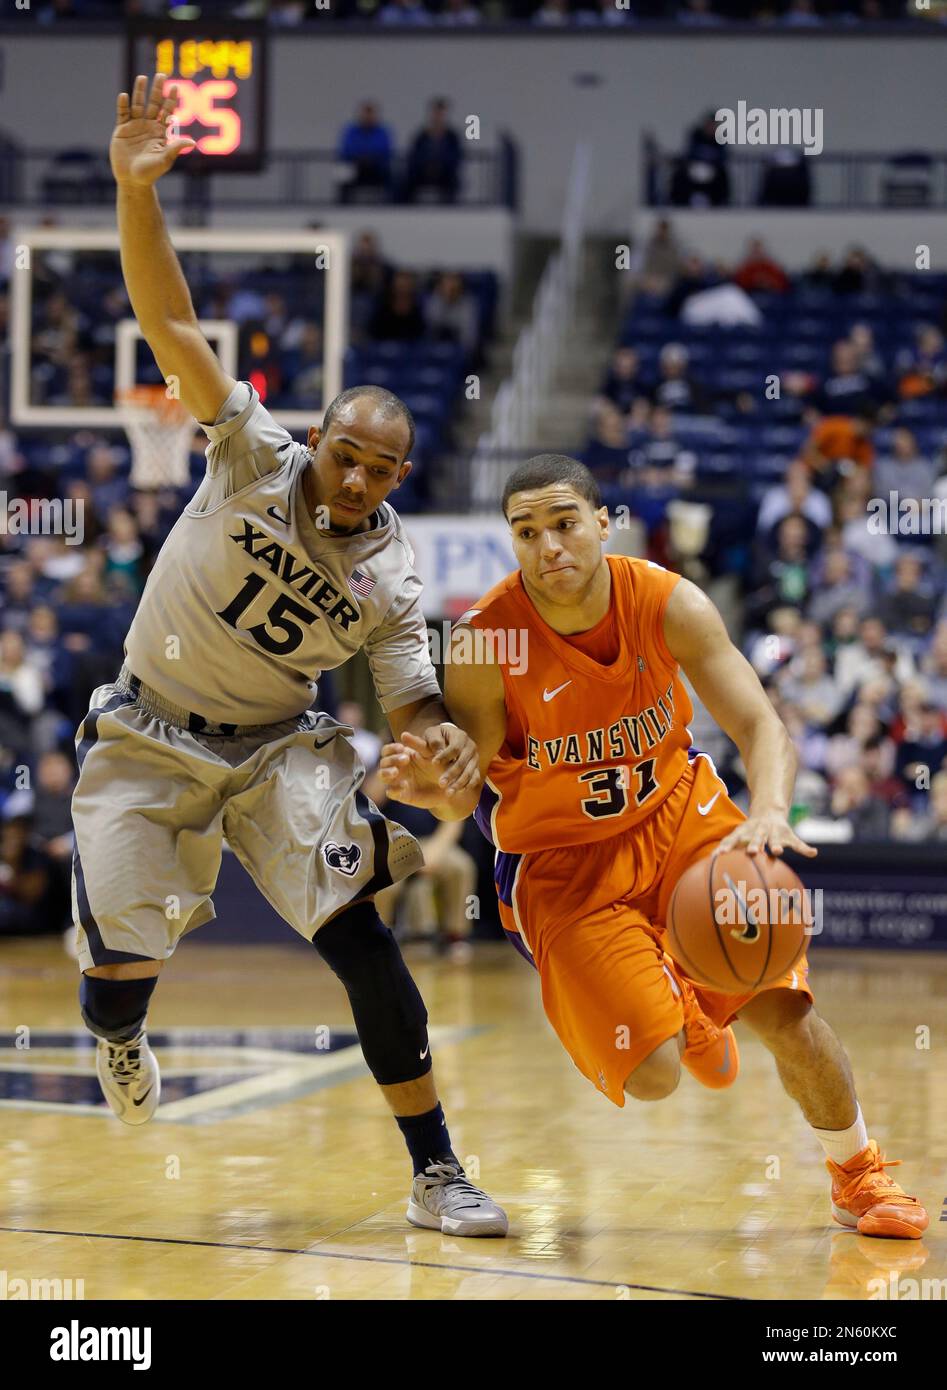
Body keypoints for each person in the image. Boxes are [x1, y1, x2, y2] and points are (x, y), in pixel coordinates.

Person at [71, 72, 507, 1239]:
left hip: (279, 752)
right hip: (146, 727)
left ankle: (436, 1171)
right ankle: (118, 1034)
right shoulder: (247, 453)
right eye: (344, 454)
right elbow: (169, 322)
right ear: (315, 439)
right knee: (116, 975)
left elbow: (409, 693)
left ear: (397, 481)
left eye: (378, 470)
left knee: (360, 933)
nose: (355, 478)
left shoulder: (395, 573)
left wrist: (435, 744)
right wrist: (134, 192)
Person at [383, 453, 929, 1240]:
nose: (548, 546)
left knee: (782, 1006)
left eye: (565, 524)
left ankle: (857, 1176)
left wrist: (770, 809)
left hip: (681, 820)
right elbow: (468, 789)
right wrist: (425, 785)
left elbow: (757, 725)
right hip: (560, 862)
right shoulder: (481, 643)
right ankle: (684, 1000)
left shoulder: (670, 603)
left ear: (603, 524)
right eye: (525, 532)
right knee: (655, 1075)